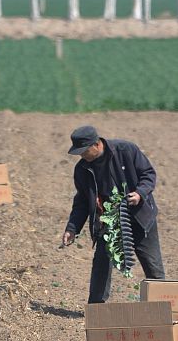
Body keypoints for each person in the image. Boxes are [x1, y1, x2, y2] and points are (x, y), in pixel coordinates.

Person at [60, 125, 166, 303]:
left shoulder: (126, 150)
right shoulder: (82, 169)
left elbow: (148, 174)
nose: (82, 156)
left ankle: (161, 305)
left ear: (96, 144)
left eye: (84, 151)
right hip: (108, 221)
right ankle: (96, 308)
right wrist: (72, 228)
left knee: (153, 265)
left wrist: (140, 193)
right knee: (101, 263)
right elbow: (82, 202)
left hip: (140, 217)